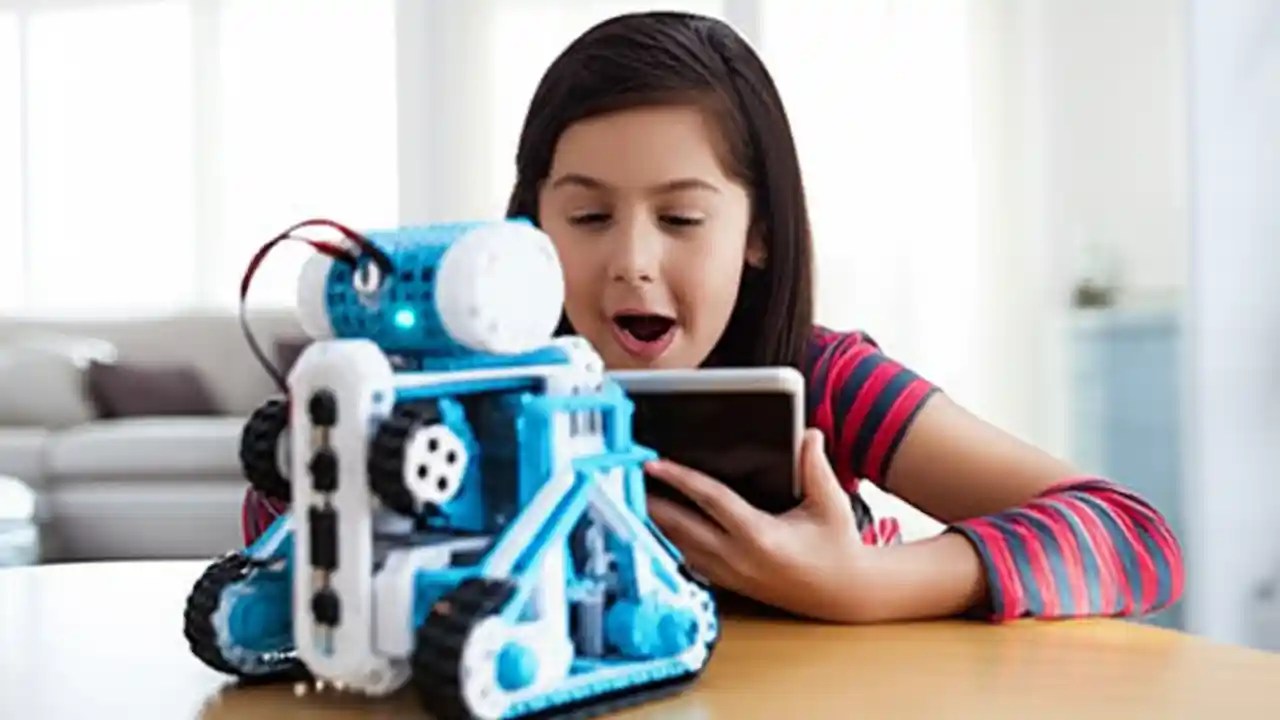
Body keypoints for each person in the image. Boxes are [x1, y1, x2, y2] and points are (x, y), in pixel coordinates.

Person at [245, 11, 1183, 624]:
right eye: (586, 217)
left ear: (757, 235)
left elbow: (1131, 534)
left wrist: (864, 584)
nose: (632, 261)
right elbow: (274, 532)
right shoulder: (485, 393)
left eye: (683, 218)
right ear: (530, 229)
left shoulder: (824, 381)